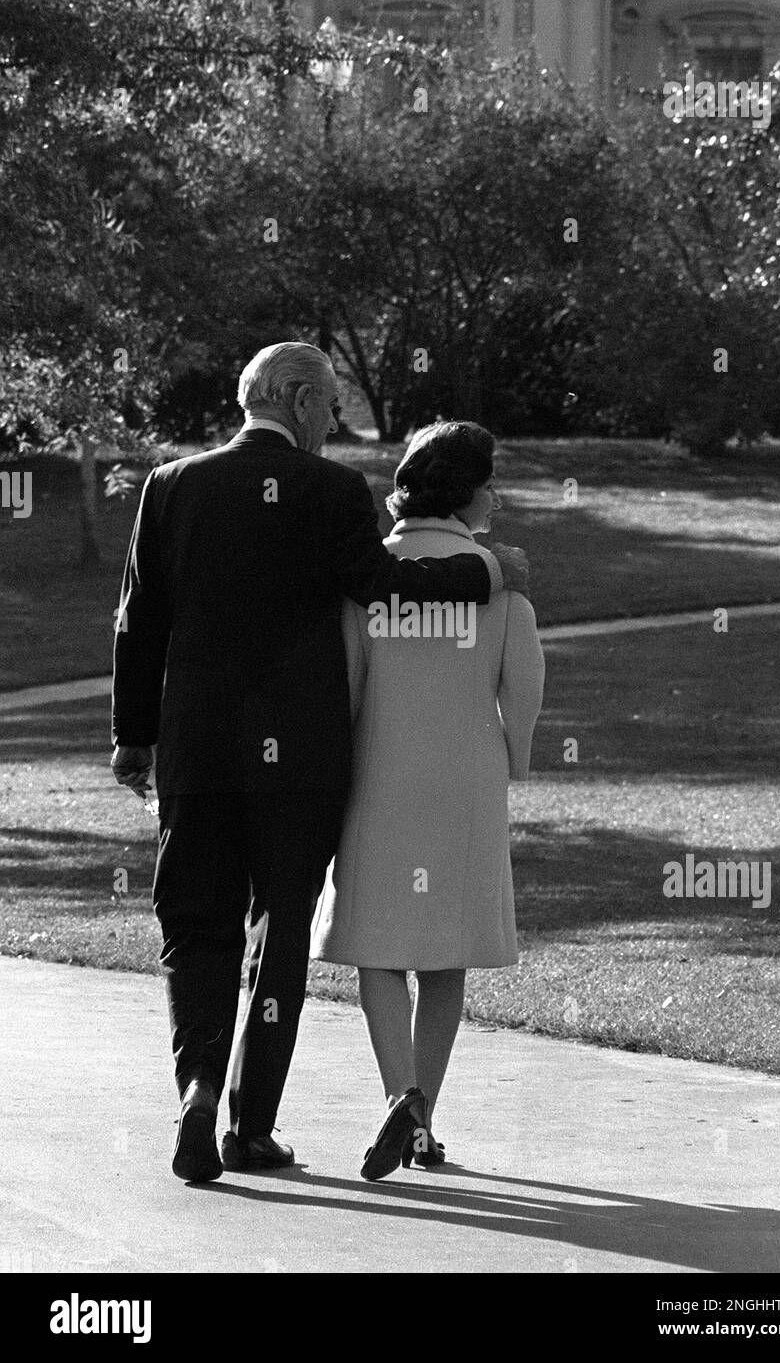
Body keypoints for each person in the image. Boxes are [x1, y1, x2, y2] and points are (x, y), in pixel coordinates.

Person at [110, 342, 531, 1183]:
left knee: (195, 927)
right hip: (298, 760)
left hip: (197, 747)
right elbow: (382, 583)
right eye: (331, 405)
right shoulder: (333, 491)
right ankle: (249, 1125)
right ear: (299, 401)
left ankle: (194, 1086)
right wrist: (488, 569)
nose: (335, 422)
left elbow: (137, 620)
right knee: (279, 932)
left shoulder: (172, 485)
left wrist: (133, 737)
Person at [310, 421, 545, 1180]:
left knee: (379, 949)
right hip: (464, 782)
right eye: (491, 482)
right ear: (468, 491)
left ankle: (397, 1096)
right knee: (447, 955)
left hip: (378, 776)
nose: (497, 495)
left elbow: (343, 686)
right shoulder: (497, 580)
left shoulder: (368, 577)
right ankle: (422, 1125)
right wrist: (516, 759)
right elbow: (525, 692)